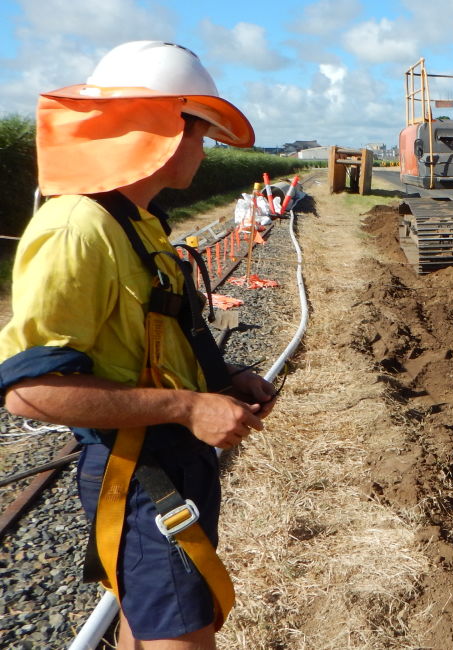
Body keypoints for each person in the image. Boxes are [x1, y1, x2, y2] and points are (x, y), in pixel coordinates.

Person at [0, 41, 274, 649]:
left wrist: (221, 381)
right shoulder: (79, 226)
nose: (203, 151)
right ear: (158, 130)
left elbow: (142, 340)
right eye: (198, 134)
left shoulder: (133, 220)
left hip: (170, 465)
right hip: (143, 475)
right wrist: (185, 408)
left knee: (150, 625)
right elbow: (29, 392)